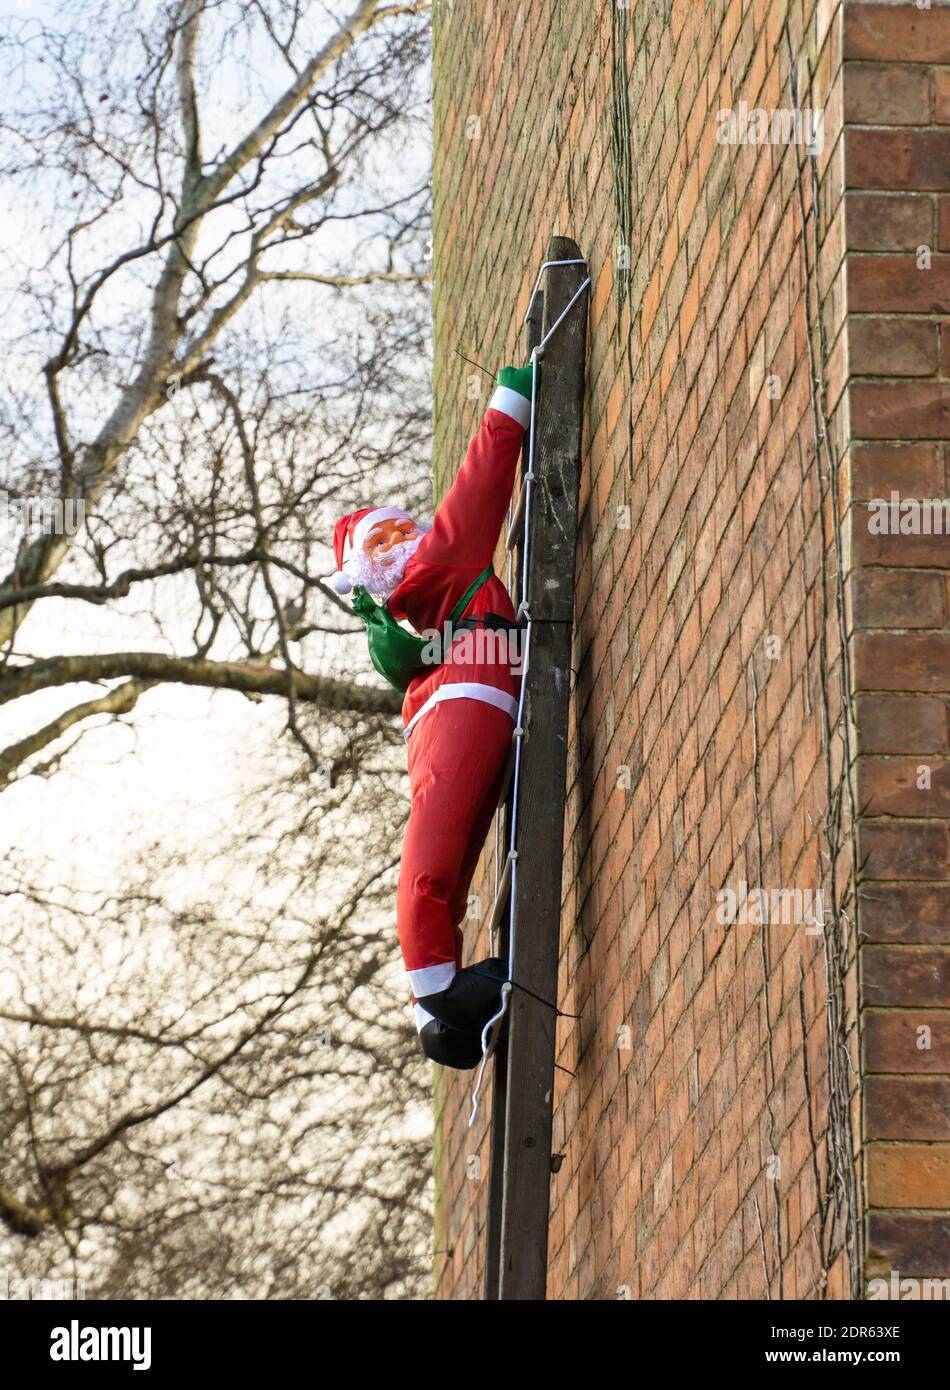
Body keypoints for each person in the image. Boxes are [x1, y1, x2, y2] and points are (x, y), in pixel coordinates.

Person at [325, 365, 534, 1067]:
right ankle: (437, 987)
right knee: (441, 840)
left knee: (452, 835)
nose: (405, 536)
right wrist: (513, 395)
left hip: (456, 703)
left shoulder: (411, 622)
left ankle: (434, 1012)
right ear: (365, 574)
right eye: (382, 541)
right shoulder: (436, 570)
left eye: (402, 528)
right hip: (471, 693)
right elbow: (482, 479)